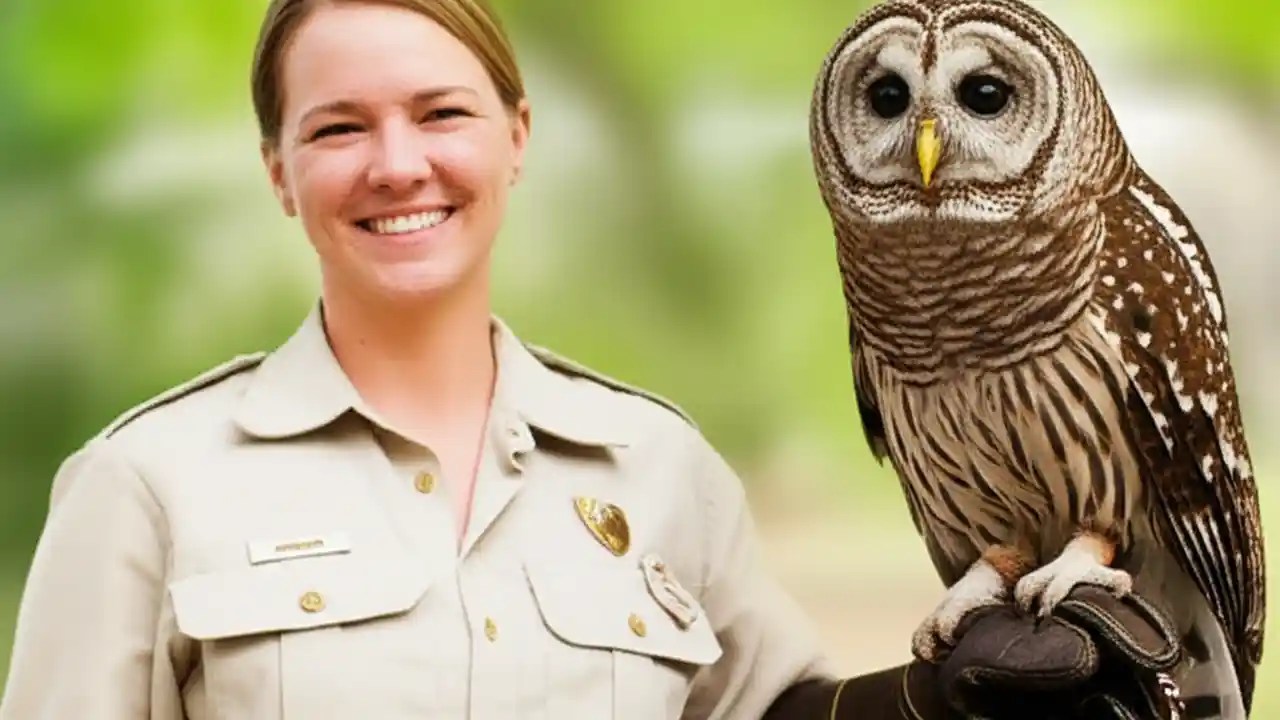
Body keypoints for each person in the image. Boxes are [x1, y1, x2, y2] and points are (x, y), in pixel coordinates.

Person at [0, 0, 1185, 718]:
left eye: (440, 112)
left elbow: (780, 719)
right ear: (277, 171)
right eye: (338, 127)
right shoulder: (145, 485)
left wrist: (947, 702)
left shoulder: (655, 465)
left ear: (516, 139)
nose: (397, 163)